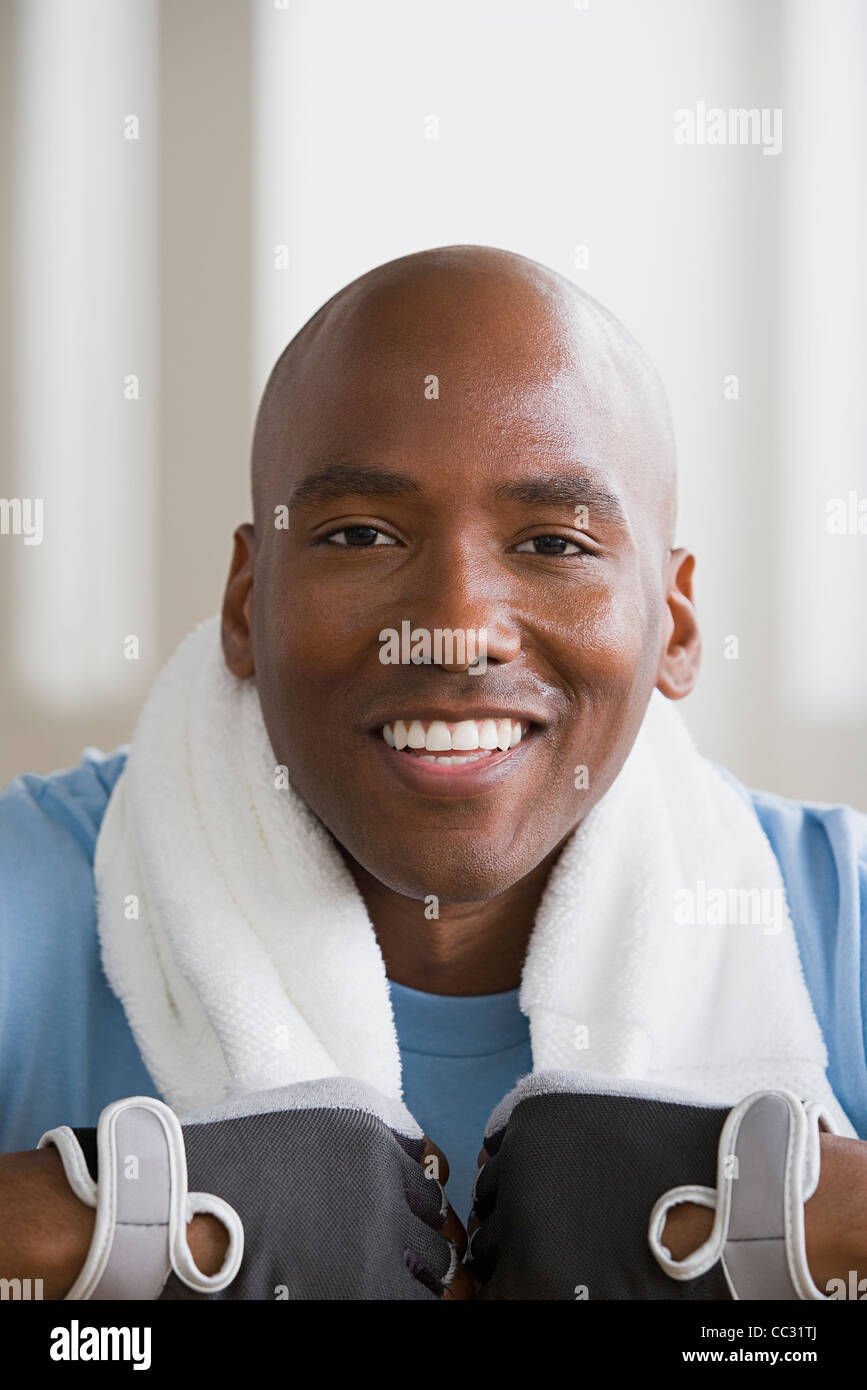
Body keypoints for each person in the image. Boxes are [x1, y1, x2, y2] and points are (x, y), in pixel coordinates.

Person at [2, 245, 866, 1299]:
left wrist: (767, 1222)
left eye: (554, 543)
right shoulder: (31, 896)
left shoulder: (838, 915)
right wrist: (130, 1228)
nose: (456, 631)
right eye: (360, 534)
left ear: (675, 624)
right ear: (245, 600)